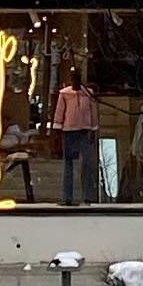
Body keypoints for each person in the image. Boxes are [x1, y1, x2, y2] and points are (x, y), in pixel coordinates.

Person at [52, 68, 100, 208]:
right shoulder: (65, 94)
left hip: (84, 131)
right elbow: (59, 112)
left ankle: (87, 197)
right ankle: (68, 197)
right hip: (69, 131)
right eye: (74, 78)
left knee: (86, 164)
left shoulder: (88, 94)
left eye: (77, 77)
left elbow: (93, 112)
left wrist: (93, 129)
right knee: (68, 164)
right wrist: (57, 129)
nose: (75, 80)